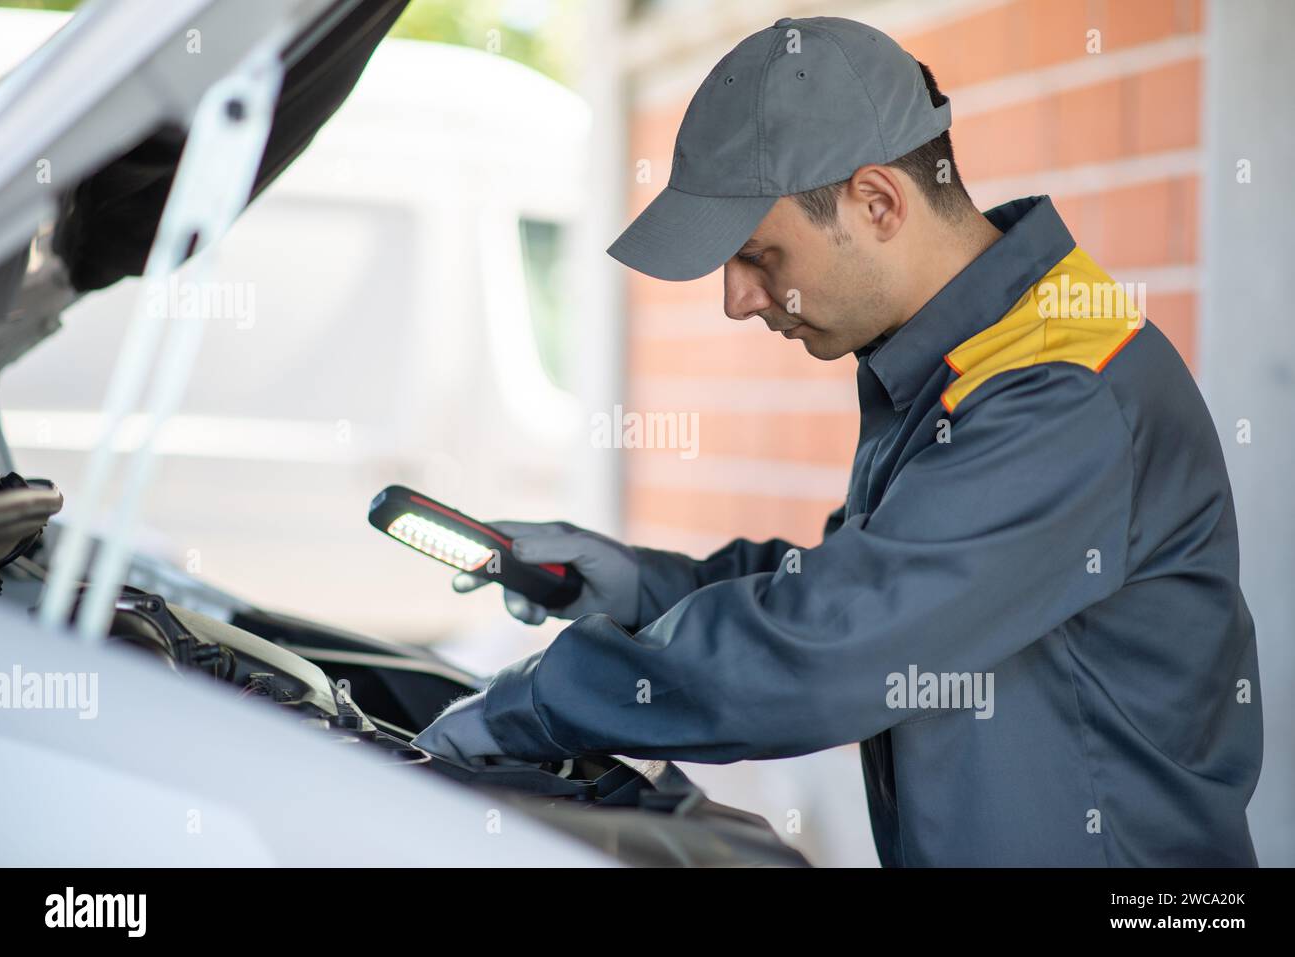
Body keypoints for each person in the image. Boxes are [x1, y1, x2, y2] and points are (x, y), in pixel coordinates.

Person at [415, 16, 1262, 867]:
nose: (738, 299)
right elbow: (858, 584)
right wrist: (640, 587)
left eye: (759, 254)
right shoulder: (967, 362)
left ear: (878, 202)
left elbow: (827, 652)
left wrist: (532, 701)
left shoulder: (1059, 390)